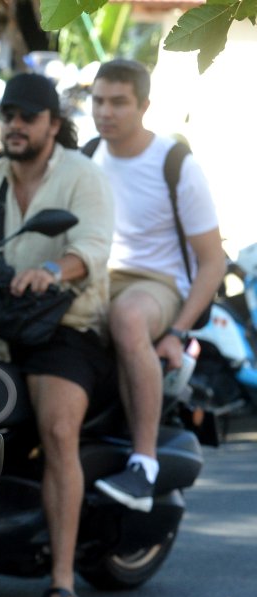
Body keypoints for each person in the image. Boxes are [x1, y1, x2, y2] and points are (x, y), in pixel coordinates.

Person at [0, 73, 114, 597]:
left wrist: (51, 272)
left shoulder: (83, 177)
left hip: (64, 329)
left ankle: (61, 581)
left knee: (59, 432)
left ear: (52, 125)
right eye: (7, 114)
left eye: (26, 116)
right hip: (1, 332)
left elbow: (92, 248)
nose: (14, 124)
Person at [87, 59, 226, 512]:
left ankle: (143, 465)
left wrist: (177, 332)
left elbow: (212, 262)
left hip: (157, 283)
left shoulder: (174, 163)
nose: (105, 112)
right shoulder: (88, 153)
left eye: (118, 102)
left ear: (144, 105)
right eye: (98, 101)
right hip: (97, 278)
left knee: (128, 317)